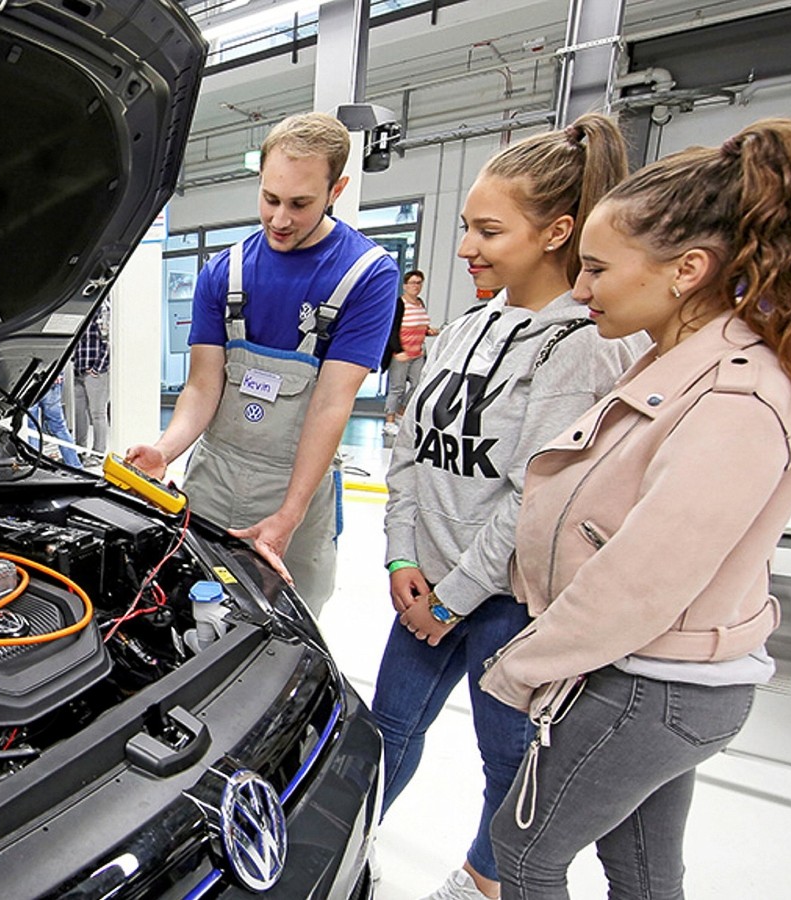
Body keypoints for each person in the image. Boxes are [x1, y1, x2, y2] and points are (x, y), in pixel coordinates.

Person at [481, 118, 791, 899]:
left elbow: (642, 577)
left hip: (652, 684)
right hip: (649, 676)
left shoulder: (735, 395)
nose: (583, 289)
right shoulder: (684, 362)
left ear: (686, 269)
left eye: (597, 269)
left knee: (523, 852)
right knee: (642, 868)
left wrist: (521, 665)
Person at [376, 113, 646, 900]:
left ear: (557, 230)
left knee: (510, 765)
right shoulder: (468, 326)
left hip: (506, 605)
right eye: (466, 227)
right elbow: (408, 450)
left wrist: (454, 599)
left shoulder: (582, 344)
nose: (466, 248)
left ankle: (484, 881)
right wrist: (401, 556)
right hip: (425, 584)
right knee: (385, 734)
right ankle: (335, 847)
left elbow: (535, 493)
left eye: (488, 231)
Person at [125, 112, 397, 613]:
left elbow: (332, 405)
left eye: (300, 203)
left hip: (295, 485)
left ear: (337, 188)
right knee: (190, 608)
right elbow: (203, 388)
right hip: (214, 475)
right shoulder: (223, 271)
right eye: (270, 199)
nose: (279, 218)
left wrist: (289, 514)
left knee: (285, 626)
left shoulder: (367, 275)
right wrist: (166, 450)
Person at [382, 270, 437, 436]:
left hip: (417, 353)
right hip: (401, 353)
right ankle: (389, 421)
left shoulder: (420, 303)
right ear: (405, 286)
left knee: (418, 385)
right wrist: (398, 350)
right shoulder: (399, 304)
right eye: (412, 283)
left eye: (419, 283)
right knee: (396, 388)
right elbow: (391, 329)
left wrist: (428, 331)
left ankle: (402, 411)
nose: (416, 286)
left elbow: (416, 325)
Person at [72, 299, 111, 465]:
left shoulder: (103, 308)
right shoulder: (80, 307)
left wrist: (98, 367)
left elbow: (108, 341)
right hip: (78, 369)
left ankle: (98, 454)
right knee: (79, 414)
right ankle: (80, 452)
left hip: (95, 371)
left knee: (97, 413)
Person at [30, 374, 81, 467]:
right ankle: (75, 466)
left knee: (32, 430)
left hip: (30, 384)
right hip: (51, 381)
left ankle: (34, 467)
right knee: (59, 428)